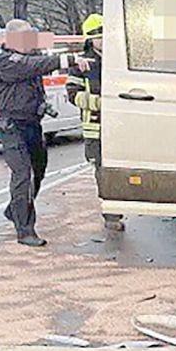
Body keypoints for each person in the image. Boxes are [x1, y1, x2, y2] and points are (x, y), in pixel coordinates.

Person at [0, 19, 88, 247]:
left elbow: (36, 70)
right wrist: (69, 59)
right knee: (23, 173)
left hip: (31, 121)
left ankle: (16, 209)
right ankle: (25, 230)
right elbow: (32, 67)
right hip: (10, 124)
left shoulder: (30, 56)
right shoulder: (4, 61)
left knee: (39, 169)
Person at [65, 14, 125, 231]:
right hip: (96, 126)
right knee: (102, 170)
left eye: (104, 35)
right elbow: (73, 94)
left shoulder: (119, 58)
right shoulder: (82, 63)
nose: (102, 40)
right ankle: (111, 215)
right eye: (98, 37)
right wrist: (100, 102)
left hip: (120, 123)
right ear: (89, 40)